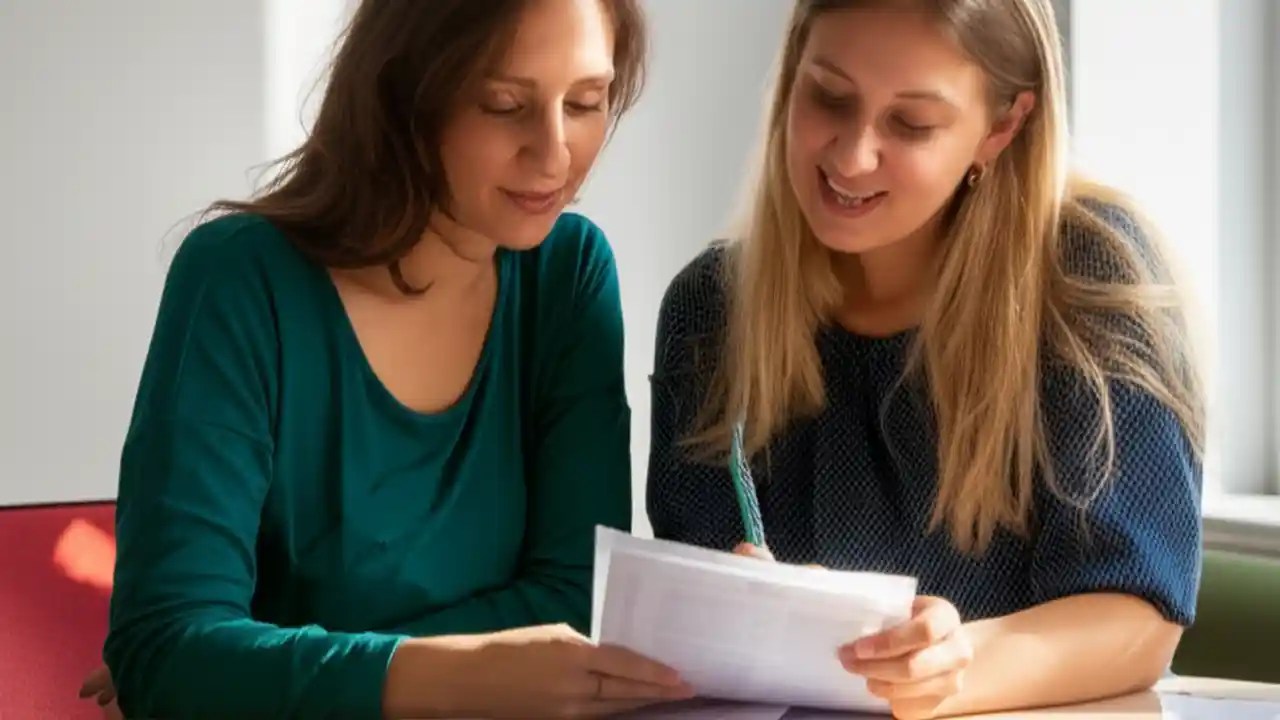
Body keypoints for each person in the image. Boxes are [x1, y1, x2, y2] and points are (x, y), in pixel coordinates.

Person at [83, 0, 697, 718]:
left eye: (587, 102)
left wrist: (250, 676)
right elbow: (168, 652)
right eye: (504, 105)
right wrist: (473, 676)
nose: (556, 154)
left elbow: (576, 603)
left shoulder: (569, 274)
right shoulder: (237, 280)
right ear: (404, 90)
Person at [647, 1, 1203, 719]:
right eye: (828, 96)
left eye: (911, 124)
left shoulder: (1092, 281)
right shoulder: (710, 308)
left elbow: (1137, 618)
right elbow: (694, 612)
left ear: (1003, 126)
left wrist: (955, 666)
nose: (851, 156)